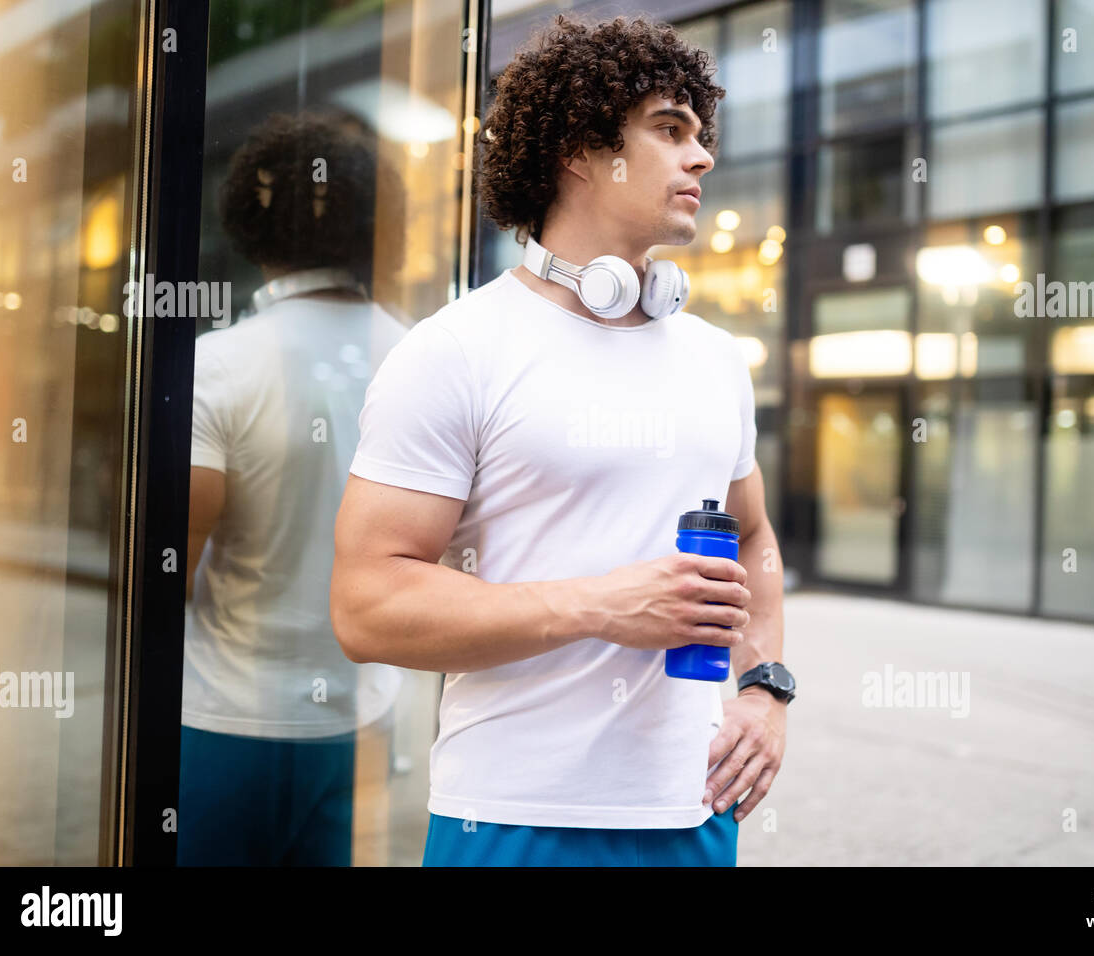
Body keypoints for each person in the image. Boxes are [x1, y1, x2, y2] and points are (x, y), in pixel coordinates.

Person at [331, 14, 793, 867]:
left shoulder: (716, 358)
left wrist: (766, 689)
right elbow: (367, 603)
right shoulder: (455, 350)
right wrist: (600, 606)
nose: (702, 158)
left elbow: (756, 535)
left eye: (702, 135)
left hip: (694, 816)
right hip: (510, 820)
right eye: (669, 130)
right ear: (580, 149)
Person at [178, 112, 410, 866]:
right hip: (362, 722)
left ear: (248, 220)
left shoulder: (219, 365)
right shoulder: (416, 360)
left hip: (226, 723)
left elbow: (170, 566)